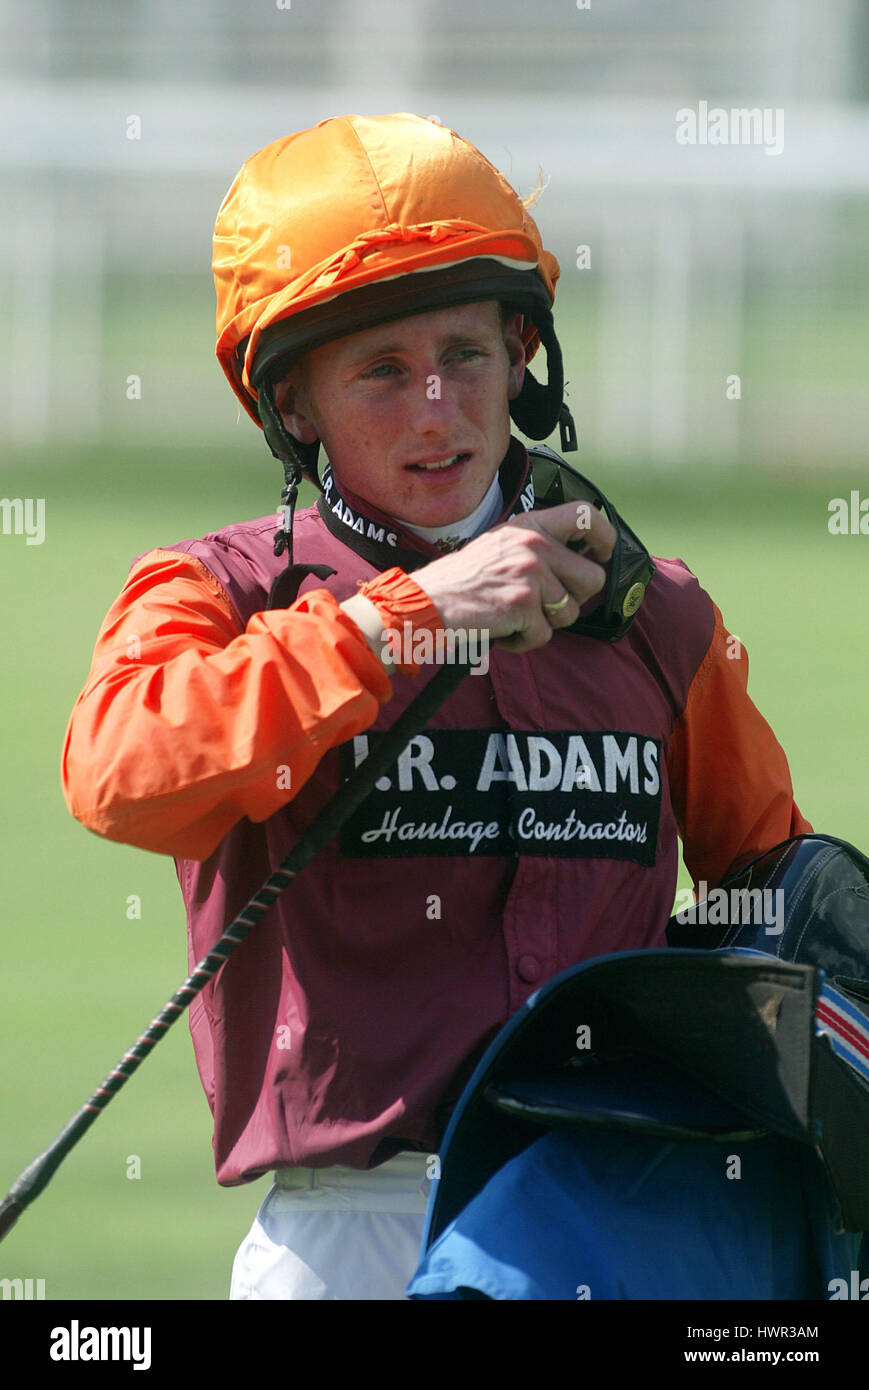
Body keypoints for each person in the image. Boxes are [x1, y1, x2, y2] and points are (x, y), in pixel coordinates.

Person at [60, 113, 810, 1300]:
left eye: (465, 353)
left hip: (616, 1216)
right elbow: (118, 775)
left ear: (523, 359)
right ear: (293, 406)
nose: (435, 407)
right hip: (351, 1232)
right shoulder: (216, 588)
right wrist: (404, 618)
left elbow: (773, 882)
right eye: (379, 370)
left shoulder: (658, 613)